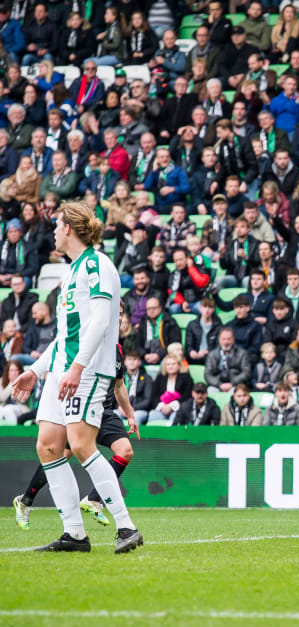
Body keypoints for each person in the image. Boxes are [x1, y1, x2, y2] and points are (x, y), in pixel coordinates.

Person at [8, 202, 143, 553]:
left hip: (86, 370)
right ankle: (75, 535)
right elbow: (65, 334)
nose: (53, 229)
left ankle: (126, 527)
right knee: (49, 445)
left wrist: (78, 367)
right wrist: (36, 372)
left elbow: (99, 323)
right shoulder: (72, 271)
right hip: (61, 370)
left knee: (81, 445)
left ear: (69, 227)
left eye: (56, 224)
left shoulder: (97, 264)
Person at [13, 344, 140, 532]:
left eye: (120, 313)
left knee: (125, 451)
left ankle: (93, 499)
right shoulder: (79, 341)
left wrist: (130, 415)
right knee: (60, 454)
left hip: (102, 410)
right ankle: (25, 501)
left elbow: (119, 386)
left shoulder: (116, 349)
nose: (117, 317)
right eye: (117, 313)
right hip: (76, 407)